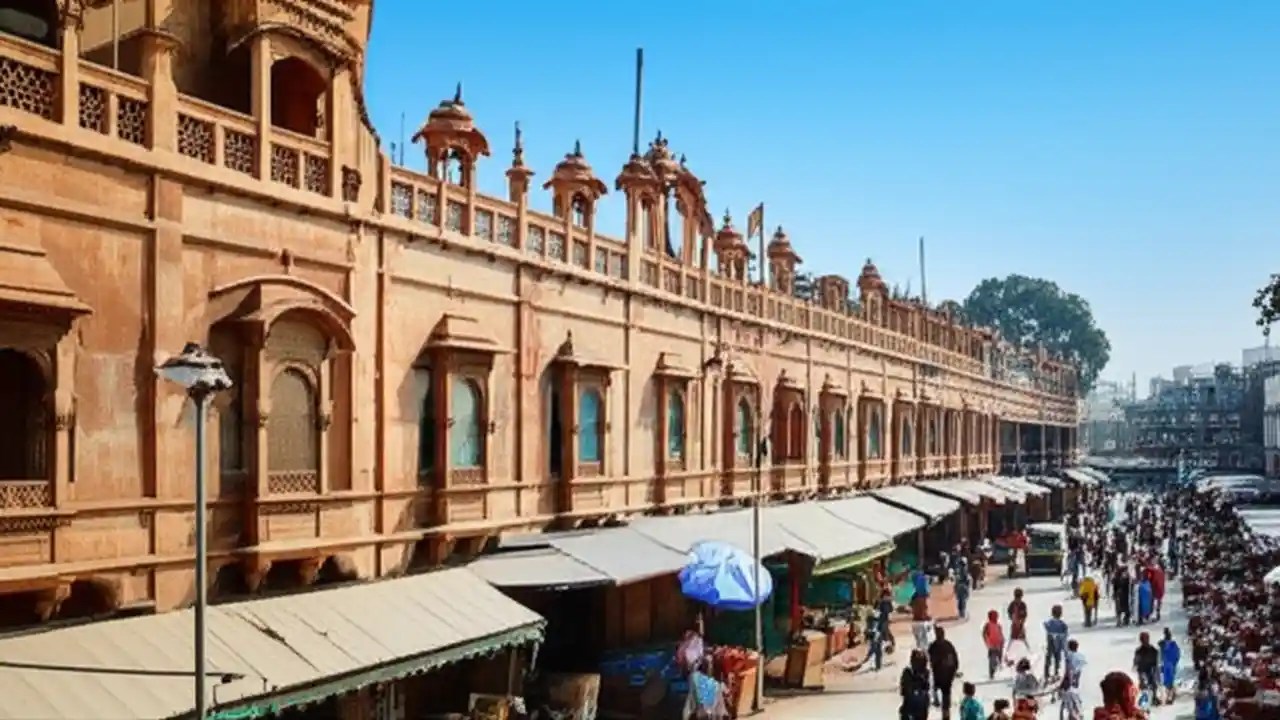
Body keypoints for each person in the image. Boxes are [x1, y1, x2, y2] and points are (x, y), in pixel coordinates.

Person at [929, 626, 960, 718]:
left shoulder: (934, 646)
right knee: (944, 695)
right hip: (944, 676)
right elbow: (955, 660)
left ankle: (944, 713)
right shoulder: (947, 645)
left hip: (942, 676)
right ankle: (945, 713)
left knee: (942, 694)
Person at [900, 648, 932, 720]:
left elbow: (927, 687)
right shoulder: (908, 672)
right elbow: (904, 689)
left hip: (920, 706)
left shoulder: (925, 673)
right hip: (910, 706)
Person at [1132, 631, 1160, 706]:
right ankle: (1145, 699)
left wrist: (1156, 669)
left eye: (1146, 639)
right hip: (1142, 670)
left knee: (1153, 683)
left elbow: (1156, 661)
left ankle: (1154, 697)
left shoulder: (1153, 650)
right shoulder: (1139, 651)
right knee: (1143, 684)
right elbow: (1136, 660)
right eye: (1143, 640)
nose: (1144, 641)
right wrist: (1135, 665)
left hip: (1151, 669)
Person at [1043, 604, 1069, 682]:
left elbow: (1045, 626)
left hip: (1050, 644)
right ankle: (1056, 673)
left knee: (1048, 658)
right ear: (1061, 614)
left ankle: (1046, 674)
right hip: (1058, 645)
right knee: (1057, 659)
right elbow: (1065, 635)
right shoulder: (1063, 624)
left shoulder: (1049, 623)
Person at [1157, 627, 1180, 705]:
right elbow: (1177, 655)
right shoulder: (1171, 644)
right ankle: (1170, 696)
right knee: (1169, 681)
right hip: (1169, 664)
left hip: (1167, 664)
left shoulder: (1164, 644)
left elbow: (1161, 655)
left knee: (1168, 682)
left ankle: (1170, 696)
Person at [983, 609, 1006, 680]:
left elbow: (1000, 634)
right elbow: (984, 634)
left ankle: (995, 668)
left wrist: (1002, 640)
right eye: (995, 616)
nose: (996, 618)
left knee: (998, 658)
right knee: (992, 660)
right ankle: (991, 673)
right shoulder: (988, 625)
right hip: (992, 646)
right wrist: (987, 643)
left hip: (998, 645)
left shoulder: (998, 625)